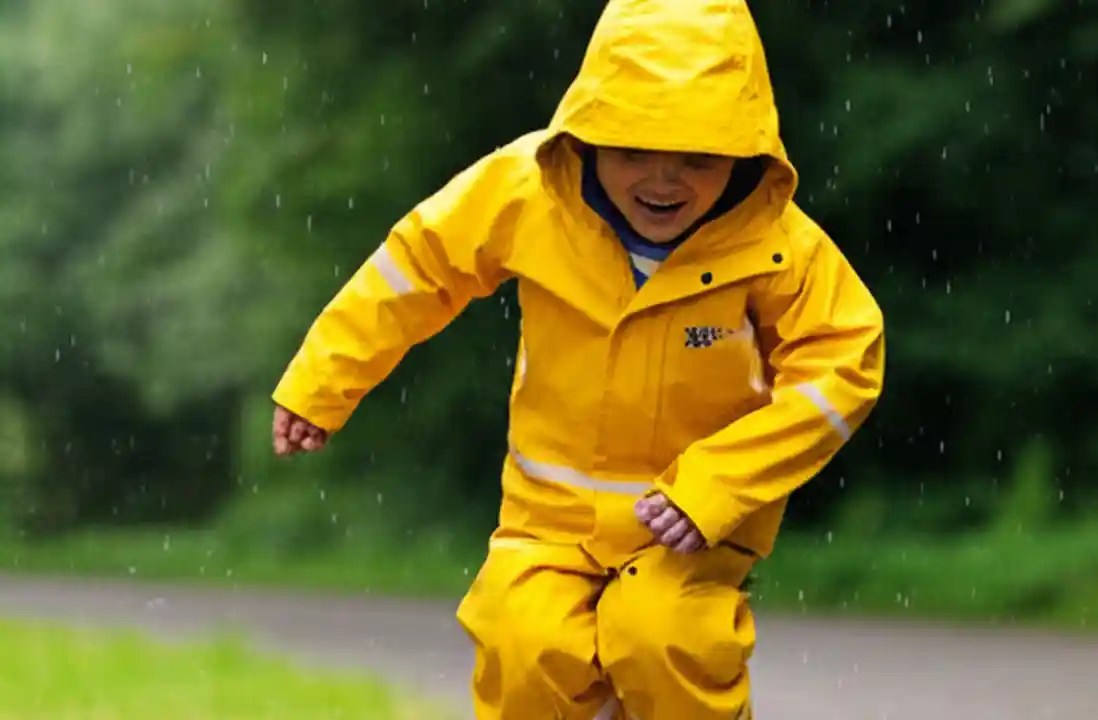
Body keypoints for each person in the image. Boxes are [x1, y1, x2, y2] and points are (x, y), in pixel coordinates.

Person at [270, 0, 885, 717]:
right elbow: (418, 266)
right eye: (633, 151)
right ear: (588, 137)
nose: (664, 181)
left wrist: (721, 486)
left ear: (744, 153)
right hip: (549, 522)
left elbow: (843, 362)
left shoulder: (776, 243)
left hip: (690, 528)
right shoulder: (527, 192)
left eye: (696, 158)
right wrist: (323, 380)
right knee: (524, 645)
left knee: (662, 639)